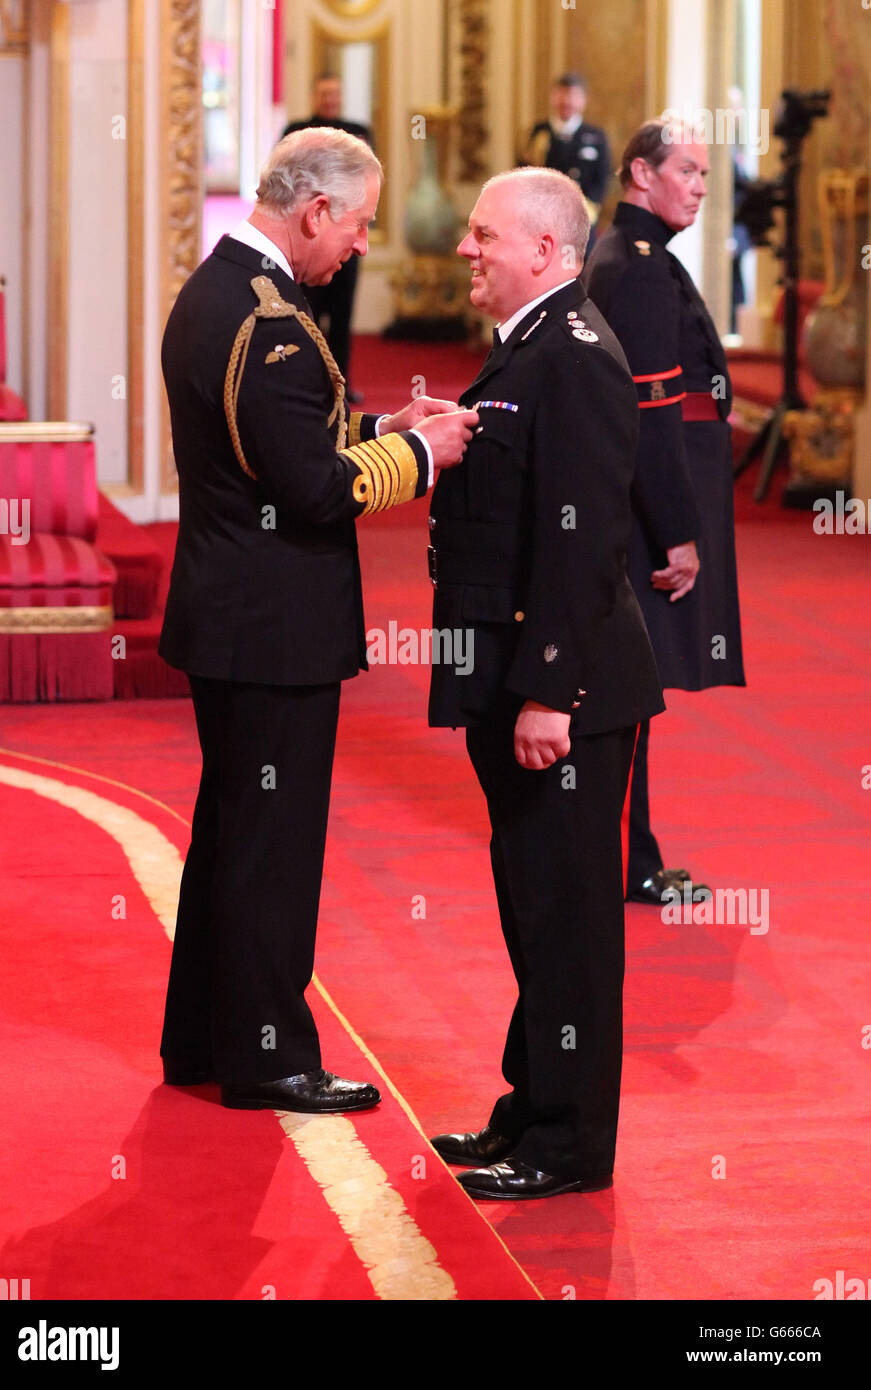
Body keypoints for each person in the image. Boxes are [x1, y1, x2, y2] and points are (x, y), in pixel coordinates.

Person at [159, 126, 477, 1113]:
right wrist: (426, 460)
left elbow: (287, 430)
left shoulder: (222, 290)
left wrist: (387, 427)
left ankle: (203, 1037)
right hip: (273, 627)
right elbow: (310, 487)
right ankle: (268, 1057)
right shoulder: (277, 323)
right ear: (316, 212)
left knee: (231, 834)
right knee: (272, 848)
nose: (364, 245)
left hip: (230, 614)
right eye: (360, 224)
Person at [426, 168, 664, 1199]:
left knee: (568, 917)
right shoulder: (528, 343)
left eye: (485, 235)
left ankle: (570, 1143)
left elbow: (584, 544)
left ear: (547, 249)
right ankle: (531, 1108)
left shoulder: (573, 357)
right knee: (535, 906)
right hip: (516, 676)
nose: (467, 249)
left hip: (563, 693)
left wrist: (545, 695)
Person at [583, 120, 746, 906]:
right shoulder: (639, 267)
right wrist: (678, 532)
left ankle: (632, 854)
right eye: (686, 170)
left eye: (705, 174)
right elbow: (649, 414)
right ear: (639, 174)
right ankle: (627, 861)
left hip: (640, 504)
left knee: (631, 693)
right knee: (630, 693)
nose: (700, 187)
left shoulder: (631, 256)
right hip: (648, 516)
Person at [282, 75, 371, 400]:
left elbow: (363, 180)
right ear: (314, 96)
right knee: (307, 315)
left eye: (335, 93)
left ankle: (341, 386)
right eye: (324, 93)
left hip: (346, 236)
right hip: (309, 239)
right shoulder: (296, 132)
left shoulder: (357, 133)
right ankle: (309, 383)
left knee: (343, 317)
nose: (330, 99)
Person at [522, 73, 612, 255]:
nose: (567, 102)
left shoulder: (595, 137)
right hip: (543, 219)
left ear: (583, 100)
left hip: (580, 219)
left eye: (573, 96)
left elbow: (601, 179)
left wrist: (586, 211)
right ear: (553, 97)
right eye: (562, 95)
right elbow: (524, 174)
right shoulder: (538, 133)